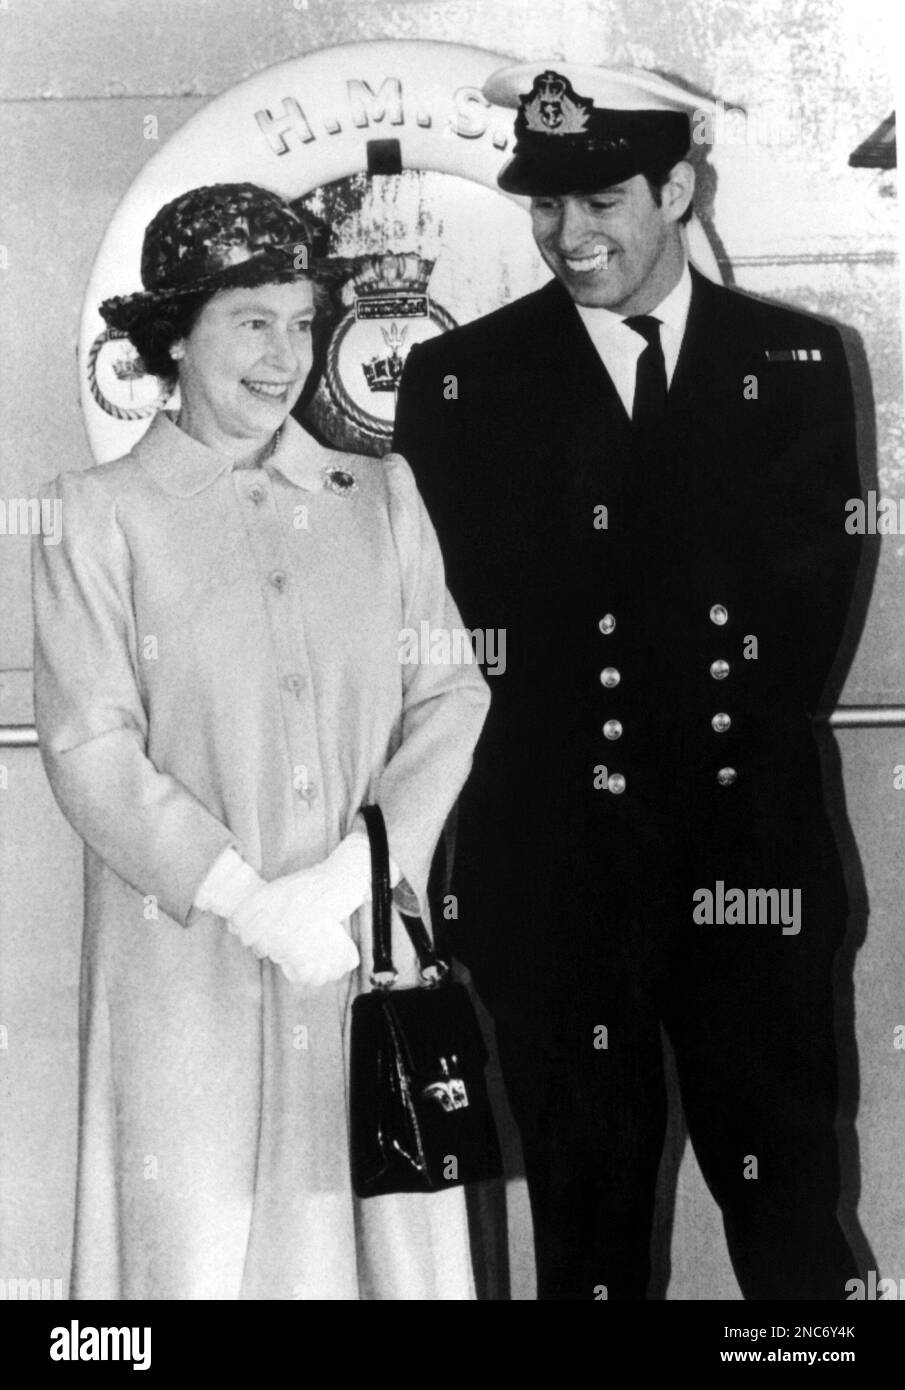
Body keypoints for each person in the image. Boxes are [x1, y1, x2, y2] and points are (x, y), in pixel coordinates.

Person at [394, 63, 864, 1300]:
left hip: (744, 865)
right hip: (553, 883)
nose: (568, 235)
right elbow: (464, 639)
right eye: (543, 206)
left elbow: (788, 637)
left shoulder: (799, 363)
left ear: (677, 186)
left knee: (790, 1224)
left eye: (601, 198)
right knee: (586, 1236)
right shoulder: (456, 384)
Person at [33, 182, 490, 1300]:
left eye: (301, 322)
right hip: (189, 968)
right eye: (251, 323)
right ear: (173, 337)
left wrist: (348, 879)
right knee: (195, 1250)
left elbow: (448, 696)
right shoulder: (94, 514)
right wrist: (247, 900)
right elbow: (90, 744)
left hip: (358, 955)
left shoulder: (377, 493)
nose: (286, 356)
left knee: (382, 1255)